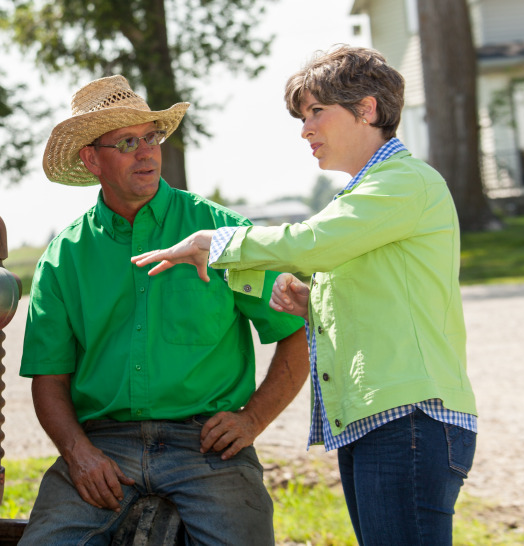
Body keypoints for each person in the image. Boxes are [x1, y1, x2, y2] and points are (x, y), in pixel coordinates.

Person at [132, 46, 478, 545]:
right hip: (381, 422)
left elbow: (313, 242)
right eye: (302, 116)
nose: (305, 129)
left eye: (317, 111)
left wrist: (215, 242)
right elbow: (381, 295)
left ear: (368, 109)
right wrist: (314, 303)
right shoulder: (367, 196)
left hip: (411, 421)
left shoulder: (403, 183)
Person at [19, 75, 309, 545]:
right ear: (91, 159)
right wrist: (78, 454)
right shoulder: (64, 256)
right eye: (127, 142)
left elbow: (295, 330)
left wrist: (252, 420)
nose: (147, 152)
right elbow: (48, 379)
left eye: (151, 137)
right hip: (104, 444)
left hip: (206, 445)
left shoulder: (221, 231)